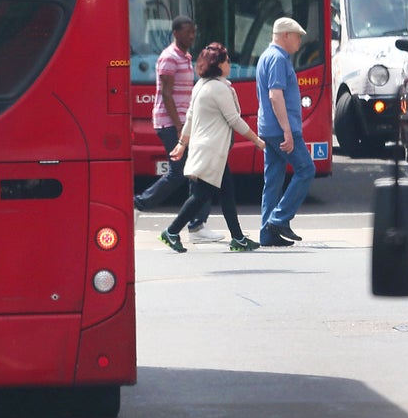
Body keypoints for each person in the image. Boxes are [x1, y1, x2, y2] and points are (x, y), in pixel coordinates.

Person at [158, 43, 266, 253]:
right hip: (211, 150)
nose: (229, 64)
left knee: (227, 194)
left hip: (209, 149)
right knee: (201, 195)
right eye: (226, 61)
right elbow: (234, 120)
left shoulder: (202, 85)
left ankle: (238, 238)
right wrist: (257, 140)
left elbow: (189, 117)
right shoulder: (218, 88)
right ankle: (171, 231)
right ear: (218, 65)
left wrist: (182, 144)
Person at [132, 16, 221, 242]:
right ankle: (140, 204)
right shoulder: (169, 58)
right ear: (175, 33)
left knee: (195, 172)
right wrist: (181, 128)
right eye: (187, 32)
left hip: (183, 123)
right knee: (182, 173)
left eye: (193, 31)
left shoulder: (186, 57)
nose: (191, 36)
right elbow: (167, 94)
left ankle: (196, 224)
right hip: (170, 124)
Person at [256, 17, 317, 247]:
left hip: (268, 127)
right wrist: (287, 130)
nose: (300, 41)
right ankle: (279, 218)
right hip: (281, 128)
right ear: (285, 36)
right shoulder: (279, 59)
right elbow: (275, 95)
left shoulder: (266, 57)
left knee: (273, 179)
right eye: (297, 36)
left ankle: (267, 234)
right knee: (306, 169)